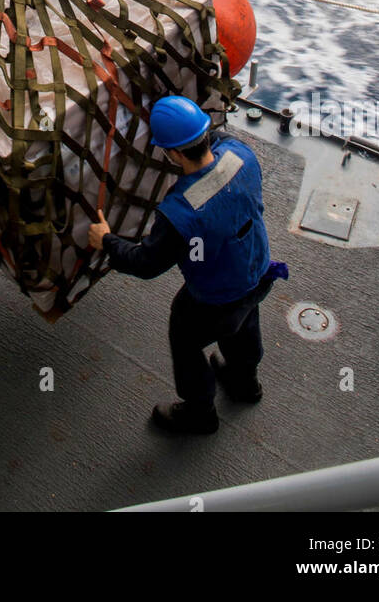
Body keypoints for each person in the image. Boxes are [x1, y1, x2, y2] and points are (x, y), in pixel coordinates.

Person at [88, 94, 286, 436]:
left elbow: (145, 263)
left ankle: (199, 413)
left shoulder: (180, 213)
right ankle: (245, 383)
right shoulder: (242, 156)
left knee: (186, 339)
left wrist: (106, 240)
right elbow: (223, 146)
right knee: (246, 319)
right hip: (258, 273)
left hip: (215, 299)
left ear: (173, 154)